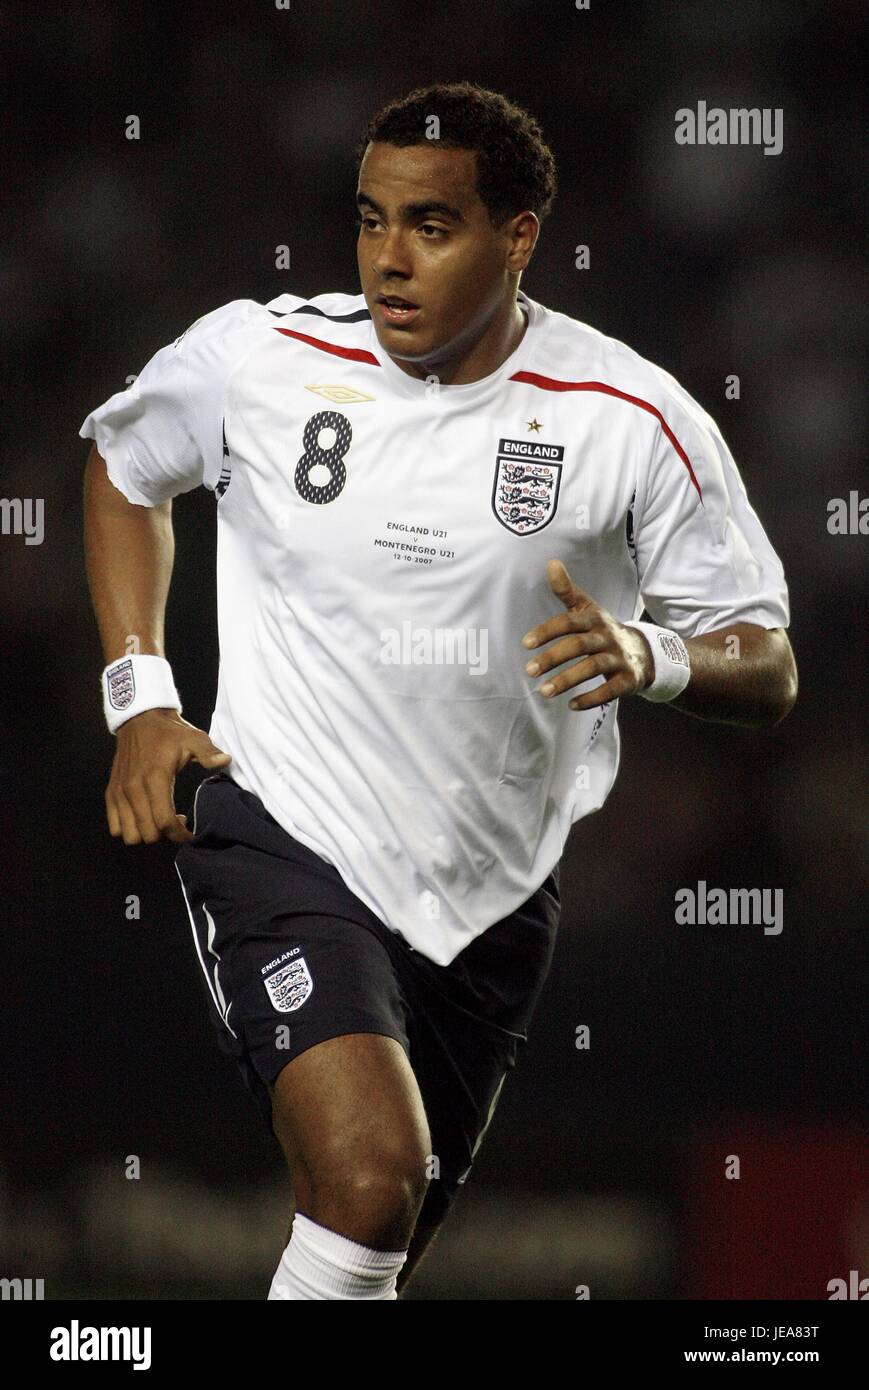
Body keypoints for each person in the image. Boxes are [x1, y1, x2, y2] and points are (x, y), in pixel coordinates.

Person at [80, 81, 797, 1300]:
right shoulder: (263, 358)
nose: (386, 263)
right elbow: (120, 463)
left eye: (430, 225)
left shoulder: (630, 417)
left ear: (518, 236)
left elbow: (764, 662)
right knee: (368, 1178)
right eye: (368, 221)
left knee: (368, 1245)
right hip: (281, 833)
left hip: (487, 900)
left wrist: (651, 656)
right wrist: (140, 695)